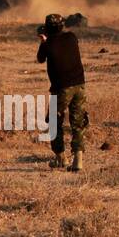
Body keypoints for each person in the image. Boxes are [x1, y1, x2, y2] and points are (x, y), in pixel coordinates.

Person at [37, 13, 87, 171]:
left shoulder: (48, 44)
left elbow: (40, 59)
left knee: (53, 122)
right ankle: (78, 161)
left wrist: (43, 42)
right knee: (77, 122)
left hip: (61, 88)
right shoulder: (71, 37)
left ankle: (61, 158)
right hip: (80, 85)